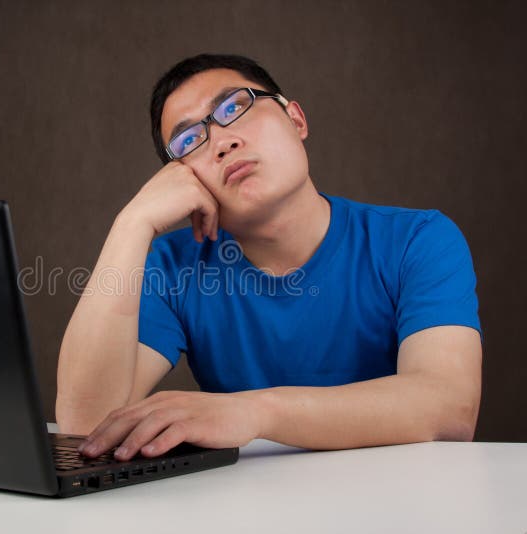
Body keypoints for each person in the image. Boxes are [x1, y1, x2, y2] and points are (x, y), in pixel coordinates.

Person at [56, 54, 482, 462]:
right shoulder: (174, 267)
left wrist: (254, 412)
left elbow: (448, 409)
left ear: (296, 119)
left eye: (235, 107)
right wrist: (132, 222)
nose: (222, 141)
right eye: (189, 141)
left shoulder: (416, 239)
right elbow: (86, 427)